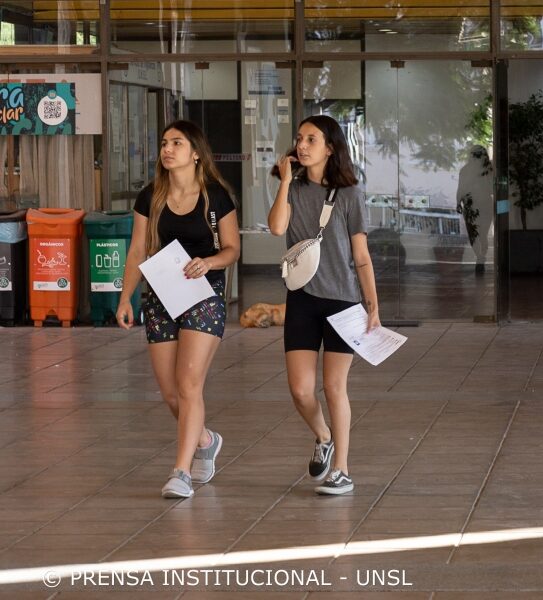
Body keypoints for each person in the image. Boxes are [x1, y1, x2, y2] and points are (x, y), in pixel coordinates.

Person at [117, 120, 240, 499]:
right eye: (164, 143)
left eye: (177, 143)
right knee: (171, 394)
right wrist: (125, 297)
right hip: (161, 294)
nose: (167, 149)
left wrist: (209, 262)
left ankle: (181, 472)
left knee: (189, 385)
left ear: (196, 153)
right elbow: (138, 250)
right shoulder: (150, 196)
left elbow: (232, 249)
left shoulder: (216, 196)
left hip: (204, 294)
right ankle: (204, 439)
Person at [268, 115, 379, 496]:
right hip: (301, 298)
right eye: (299, 138)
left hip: (343, 301)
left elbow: (361, 256)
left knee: (334, 387)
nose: (301, 145)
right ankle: (323, 436)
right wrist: (285, 182)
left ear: (330, 148)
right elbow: (277, 228)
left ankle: (342, 469)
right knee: (301, 390)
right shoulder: (294, 189)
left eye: (311, 139)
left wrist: (372, 305)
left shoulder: (349, 194)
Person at [455, 145, 494, 274]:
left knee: (478, 234)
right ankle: (480, 257)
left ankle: (480, 257)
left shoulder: (484, 170)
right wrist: (458, 202)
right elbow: (461, 188)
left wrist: (458, 202)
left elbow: (461, 189)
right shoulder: (469, 170)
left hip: (476, 204)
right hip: (476, 204)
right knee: (478, 234)